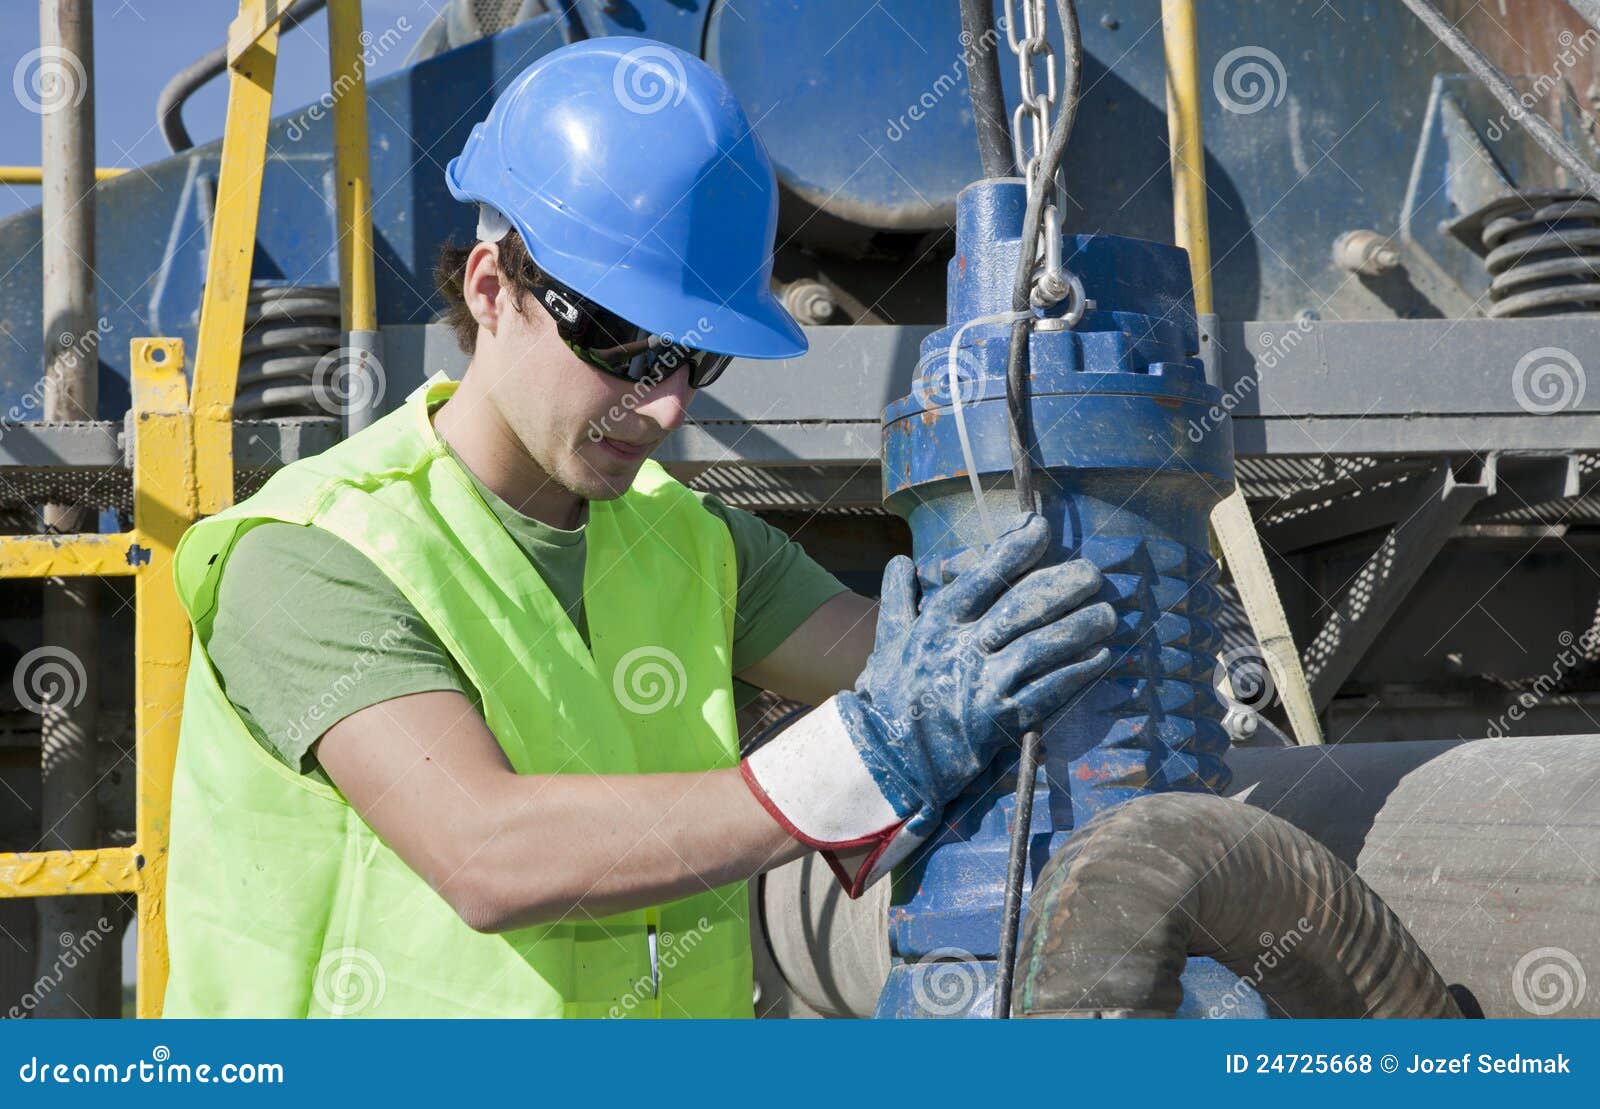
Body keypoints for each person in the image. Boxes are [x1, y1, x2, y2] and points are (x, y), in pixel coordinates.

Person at [162, 37, 1114, 1018]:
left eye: (693, 361)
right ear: (492, 288)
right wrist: (860, 757)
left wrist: (1063, 604)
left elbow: (915, 674)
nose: (664, 409)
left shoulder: (694, 544)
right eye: (623, 345)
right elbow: (486, 853)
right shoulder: (309, 553)